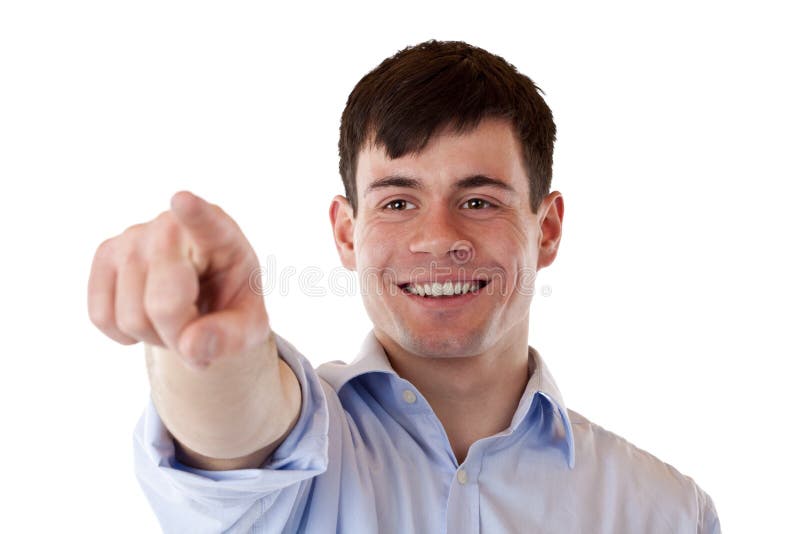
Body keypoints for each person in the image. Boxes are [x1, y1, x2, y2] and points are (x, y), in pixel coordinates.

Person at [88, 39, 720, 533]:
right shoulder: (305, 437)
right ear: (347, 233)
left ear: (547, 229)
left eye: (478, 200)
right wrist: (203, 352)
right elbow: (234, 425)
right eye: (396, 203)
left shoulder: (667, 512)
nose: (437, 238)